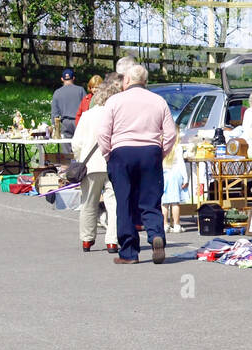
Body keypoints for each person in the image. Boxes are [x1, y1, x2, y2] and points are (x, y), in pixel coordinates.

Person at [95, 64, 178, 264]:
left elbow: (103, 133)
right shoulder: (158, 101)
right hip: (150, 152)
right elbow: (171, 134)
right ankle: (156, 234)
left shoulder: (115, 101)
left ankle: (129, 252)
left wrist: (108, 155)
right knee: (150, 201)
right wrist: (160, 153)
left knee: (124, 203)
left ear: (126, 81)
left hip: (121, 152)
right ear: (145, 82)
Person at [70, 74, 122, 253]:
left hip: (90, 165)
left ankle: (87, 239)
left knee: (88, 202)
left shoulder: (87, 115)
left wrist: (79, 157)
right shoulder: (117, 116)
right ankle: (112, 240)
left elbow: (76, 143)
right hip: (112, 163)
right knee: (113, 203)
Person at [51, 68, 85, 140]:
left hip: (65, 123)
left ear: (62, 79)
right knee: (80, 147)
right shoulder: (80, 90)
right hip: (79, 122)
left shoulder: (57, 93)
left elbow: (55, 113)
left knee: (66, 148)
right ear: (73, 78)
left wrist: (55, 128)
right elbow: (86, 107)